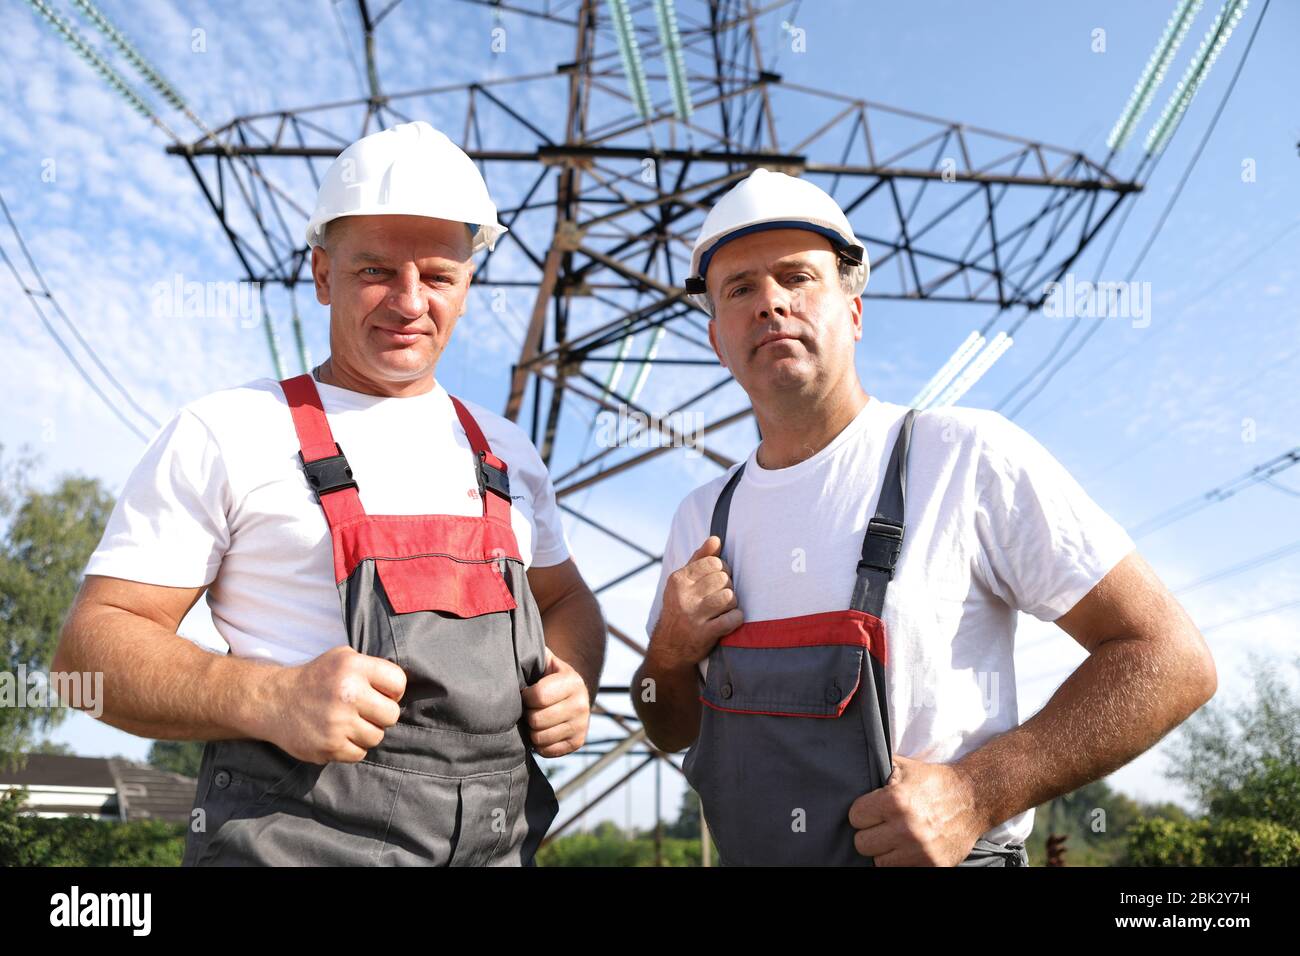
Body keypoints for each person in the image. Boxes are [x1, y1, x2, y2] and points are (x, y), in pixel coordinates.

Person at [54, 120, 607, 866]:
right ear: (321, 273)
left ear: (468, 287)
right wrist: (265, 698)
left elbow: (569, 602)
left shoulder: (506, 453)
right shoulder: (227, 430)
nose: (409, 302)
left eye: (438, 276)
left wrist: (572, 677)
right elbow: (85, 661)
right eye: (375, 270)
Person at [631, 168, 1216, 867]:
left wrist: (978, 791)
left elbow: (1172, 659)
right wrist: (666, 655)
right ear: (716, 340)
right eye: (740, 289)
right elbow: (668, 728)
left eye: (797, 278)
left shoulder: (963, 456)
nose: (771, 304)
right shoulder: (700, 517)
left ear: (853, 311)